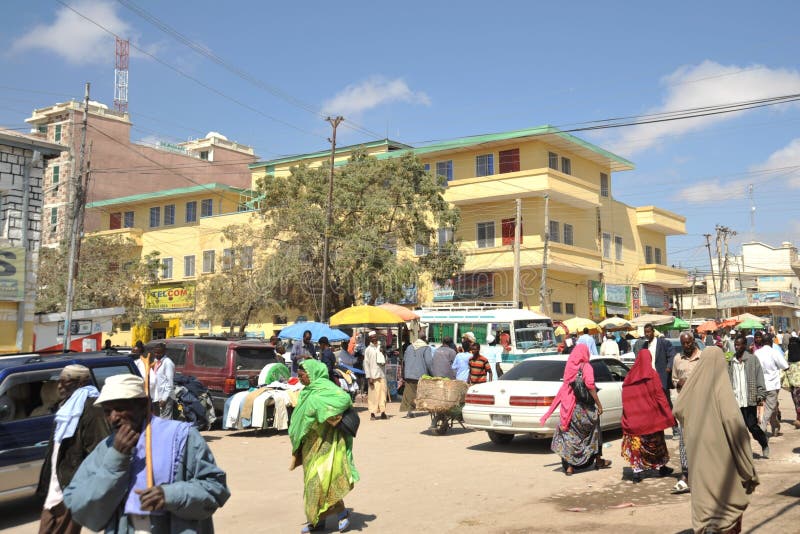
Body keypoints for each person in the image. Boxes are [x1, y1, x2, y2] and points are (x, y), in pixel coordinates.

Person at [63, 374, 230, 532]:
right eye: (107, 412)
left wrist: (170, 495)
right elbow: (77, 503)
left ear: (144, 405)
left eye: (120, 408)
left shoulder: (182, 438)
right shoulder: (106, 449)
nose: (113, 417)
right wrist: (116, 459)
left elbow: (215, 488)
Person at [674, 347, 759, 533]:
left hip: (698, 466)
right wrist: (748, 471)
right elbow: (736, 429)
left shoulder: (690, 393)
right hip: (722, 464)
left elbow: (678, 409)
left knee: (704, 507)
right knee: (726, 509)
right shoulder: (722, 391)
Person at [37, 365, 110, 534]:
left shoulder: (92, 408)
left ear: (81, 383)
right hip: (56, 485)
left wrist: (83, 488)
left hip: (72, 485)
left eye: (66, 382)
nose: (60, 386)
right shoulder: (66, 406)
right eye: (59, 382)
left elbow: (99, 450)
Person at [290, 360, 358, 533]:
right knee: (311, 482)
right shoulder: (306, 392)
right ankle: (317, 521)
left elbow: (343, 400)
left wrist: (323, 410)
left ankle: (343, 514)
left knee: (324, 480)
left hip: (327, 441)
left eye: (302, 375)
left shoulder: (326, 388)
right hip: (310, 444)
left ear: (313, 374)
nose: (300, 379)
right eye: (298, 375)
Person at [540, 345, 611, 475]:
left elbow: (566, 386)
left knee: (570, 437)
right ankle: (598, 460)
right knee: (594, 432)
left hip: (569, 410)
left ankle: (569, 467)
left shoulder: (569, 366)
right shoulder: (586, 366)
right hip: (584, 409)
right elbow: (590, 385)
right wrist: (599, 404)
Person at [620, 349, 675, 483]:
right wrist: (669, 414)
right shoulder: (652, 375)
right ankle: (662, 467)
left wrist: (627, 417)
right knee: (657, 444)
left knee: (636, 446)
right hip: (652, 420)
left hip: (634, 420)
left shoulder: (629, 377)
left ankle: (636, 473)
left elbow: (625, 399)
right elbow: (660, 396)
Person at [729, 335, 769, 458]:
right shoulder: (731, 361)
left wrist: (761, 394)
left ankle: (764, 443)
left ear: (745, 345)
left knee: (752, 426)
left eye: (739, 344)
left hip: (749, 400)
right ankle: (744, 453)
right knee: (738, 429)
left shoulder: (752, 360)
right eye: (735, 344)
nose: (737, 347)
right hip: (736, 401)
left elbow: (759, 377)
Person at [671, 332, 702, 492]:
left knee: (701, 439)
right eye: (683, 344)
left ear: (694, 342)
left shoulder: (702, 358)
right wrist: (679, 384)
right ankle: (686, 474)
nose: (686, 346)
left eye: (688, 343)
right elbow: (674, 380)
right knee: (684, 440)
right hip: (685, 406)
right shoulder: (678, 359)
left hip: (701, 406)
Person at [633, 323, 676, 408]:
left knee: (665, 402)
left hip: (661, 377)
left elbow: (672, 355)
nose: (647, 334)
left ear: (653, 332)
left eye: (649, 332)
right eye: (645, 332)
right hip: (649, 379)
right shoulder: (644, 346)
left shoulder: (663, 343)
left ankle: (671, 419)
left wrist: (669, 367)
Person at [753, 333, 788, 437]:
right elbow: (785, 366)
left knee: (765, 407)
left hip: (759, 385)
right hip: (772, 385)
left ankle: (775, 428)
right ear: (771, 342)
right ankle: (762, 428)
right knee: (770, 408)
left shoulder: (757, 353)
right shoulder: (774, 352)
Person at [400, 335, 432, 415]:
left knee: (409, 393)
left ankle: (409, 411)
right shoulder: (426, 348)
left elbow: (404, 360)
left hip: (408, 374)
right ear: (424, 339)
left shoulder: (409, 347)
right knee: (420, 393)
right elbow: (429, 362)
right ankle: (421, 408)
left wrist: (404, 373)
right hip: (420, 374)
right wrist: (431, 373)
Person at [363, 331, 387, 420]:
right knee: (373, 396)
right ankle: (372, 414)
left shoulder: (381, 347)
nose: (374, 338)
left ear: (377, 337)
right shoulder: (368, 350)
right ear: (370, 338)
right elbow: (366, 364)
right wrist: (369, 377)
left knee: (383, 394)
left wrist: (383, 353)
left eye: (375, 336)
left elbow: (385, 361)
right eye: (372, 337)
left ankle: (383, 412)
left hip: (382, 375)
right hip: (373, 376)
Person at [786, 337, 800, 429]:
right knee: (797, 403)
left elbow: (784, 368)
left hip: (793, 384)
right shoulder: (787, 354)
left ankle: (798, 419)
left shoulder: (787, 353)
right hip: (793, 384)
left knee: (797, 403)